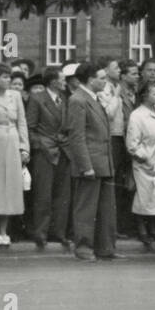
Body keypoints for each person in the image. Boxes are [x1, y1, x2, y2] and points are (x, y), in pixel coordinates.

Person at [65, 62, 117, 262]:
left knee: (105, 208)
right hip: (90, 163)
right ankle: (84, 247)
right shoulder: (78, 100)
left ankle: (105, 247)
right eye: (102, 78)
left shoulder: (92, 98)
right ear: (90, 79)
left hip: (103, 161)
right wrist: (85, 166)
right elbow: (77, 136)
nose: (105, 81)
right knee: (86, 208)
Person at [0, 63, 30, 247]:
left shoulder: (15, 96)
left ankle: (4, 229)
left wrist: (25, 147)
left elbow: (22, 122)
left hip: (13, 141)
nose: (8, 80)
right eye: (4, 77)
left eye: (9, 77)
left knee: (10, 187)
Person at [26, 66, 71, 250]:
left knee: (62, 194)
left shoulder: (64, 99)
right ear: (53, 81)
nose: (64, 82)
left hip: (63, 150)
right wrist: (42, 145)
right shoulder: (37, 99)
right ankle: (41, 233)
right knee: (43, 194)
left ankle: (58, 232)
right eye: (62, 79)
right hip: (44, 152)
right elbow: (30, 127)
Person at [125, 80, 155, 250]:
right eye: (153, 93)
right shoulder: (136, 115)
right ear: (144, 95)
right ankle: (143, 230)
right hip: (145, 164)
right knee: (144, 198)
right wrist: (146, 159)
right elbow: (132, 144)